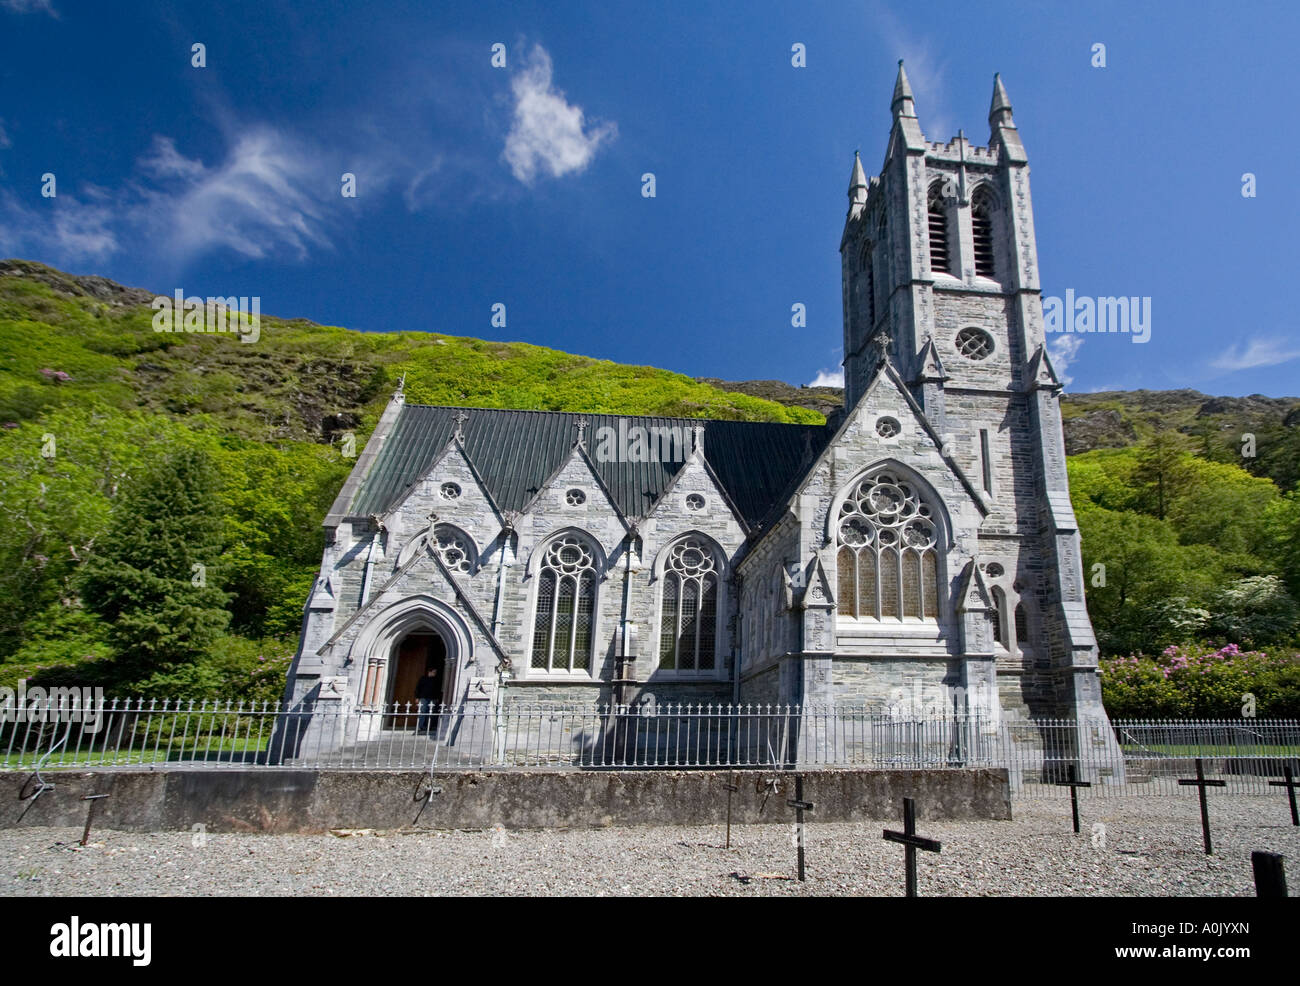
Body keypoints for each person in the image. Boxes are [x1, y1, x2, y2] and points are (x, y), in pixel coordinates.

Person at [415, 666, 440, 734]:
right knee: (422, 711)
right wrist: (417, 697)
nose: (435, 673)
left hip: (432, 698)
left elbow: (438, 689)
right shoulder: (423, 679)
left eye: (435, 672)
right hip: (423, 698)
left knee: (430, 712)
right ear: (429, 672)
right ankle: (420, 726)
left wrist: (437, 698)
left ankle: (428, 726)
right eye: (434, 672)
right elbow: (418, 688)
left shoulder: (436, 680)